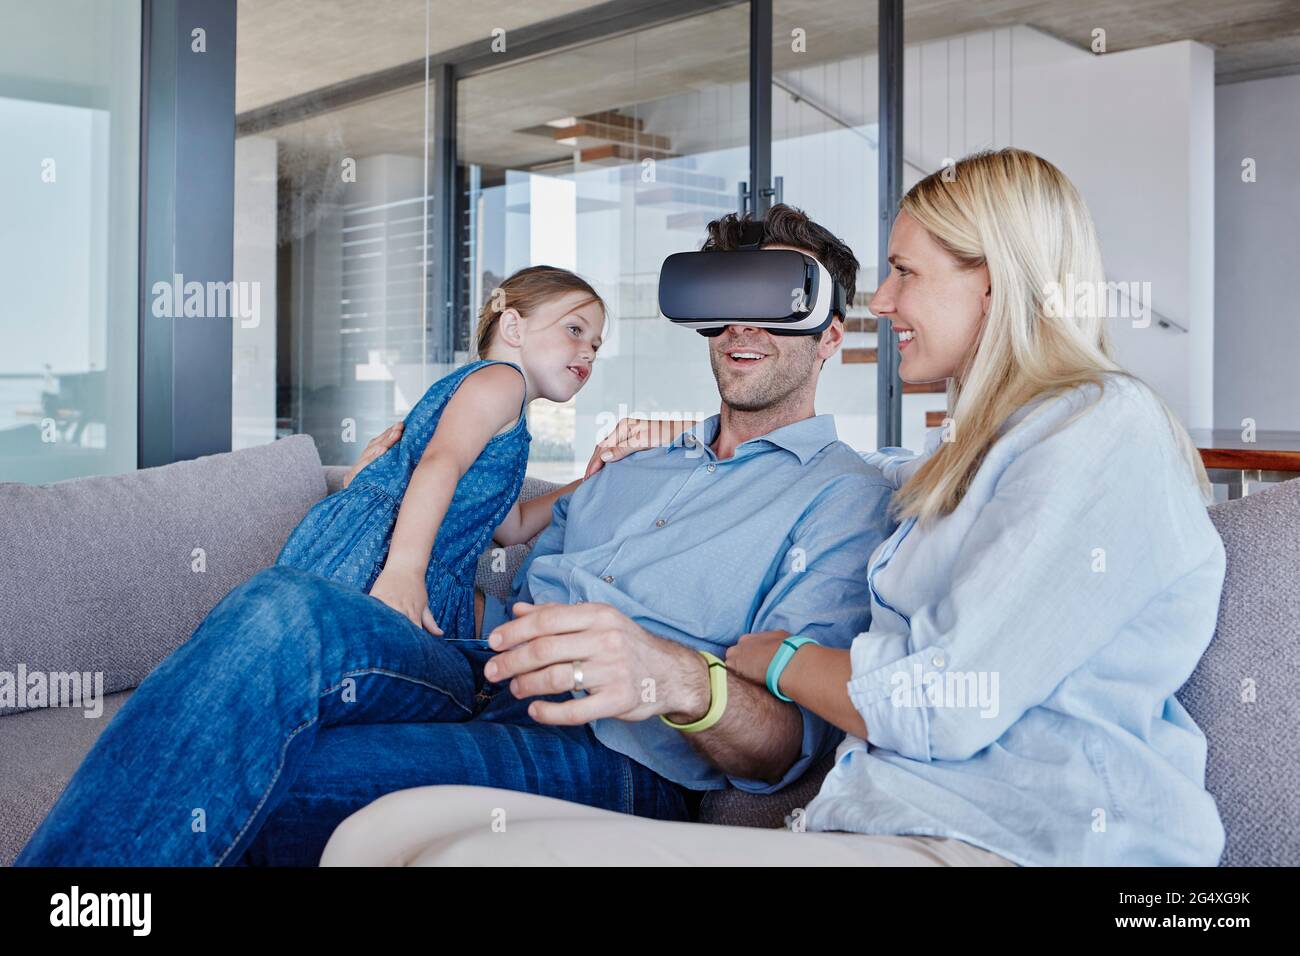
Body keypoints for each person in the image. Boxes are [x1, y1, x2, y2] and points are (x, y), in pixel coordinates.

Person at [321, 148, 1228, 868]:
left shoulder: (1098, 427)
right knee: (371, 838)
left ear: (992, 280)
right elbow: (508, 530)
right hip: (865, 821)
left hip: (1027, 842)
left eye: (905, 273)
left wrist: (773, 658)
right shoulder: (950, 470)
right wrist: (426, 458)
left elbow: (935, 701)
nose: (884, 300)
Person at [15, 204, 896, 867]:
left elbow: (785, 744)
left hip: (608, 747)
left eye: (779, 302)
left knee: (236, 783)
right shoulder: (636, 461)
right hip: (476, 669)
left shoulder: (845, 497)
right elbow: (503, 529)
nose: (745, 326)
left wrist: (667, 672)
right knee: (284, 608)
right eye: (725, 299)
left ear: (830, 336)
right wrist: (400, 472)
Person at [277, 265, 605, 640]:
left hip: (416, 565)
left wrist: (588, 482)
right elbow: (440, 464)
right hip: (384, 555)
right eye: (575, 330)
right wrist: (404, 570)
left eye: (596, 344)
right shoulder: (501, 380)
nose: (589, 352)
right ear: (514, 328)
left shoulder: (507, 423)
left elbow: (512, 529)